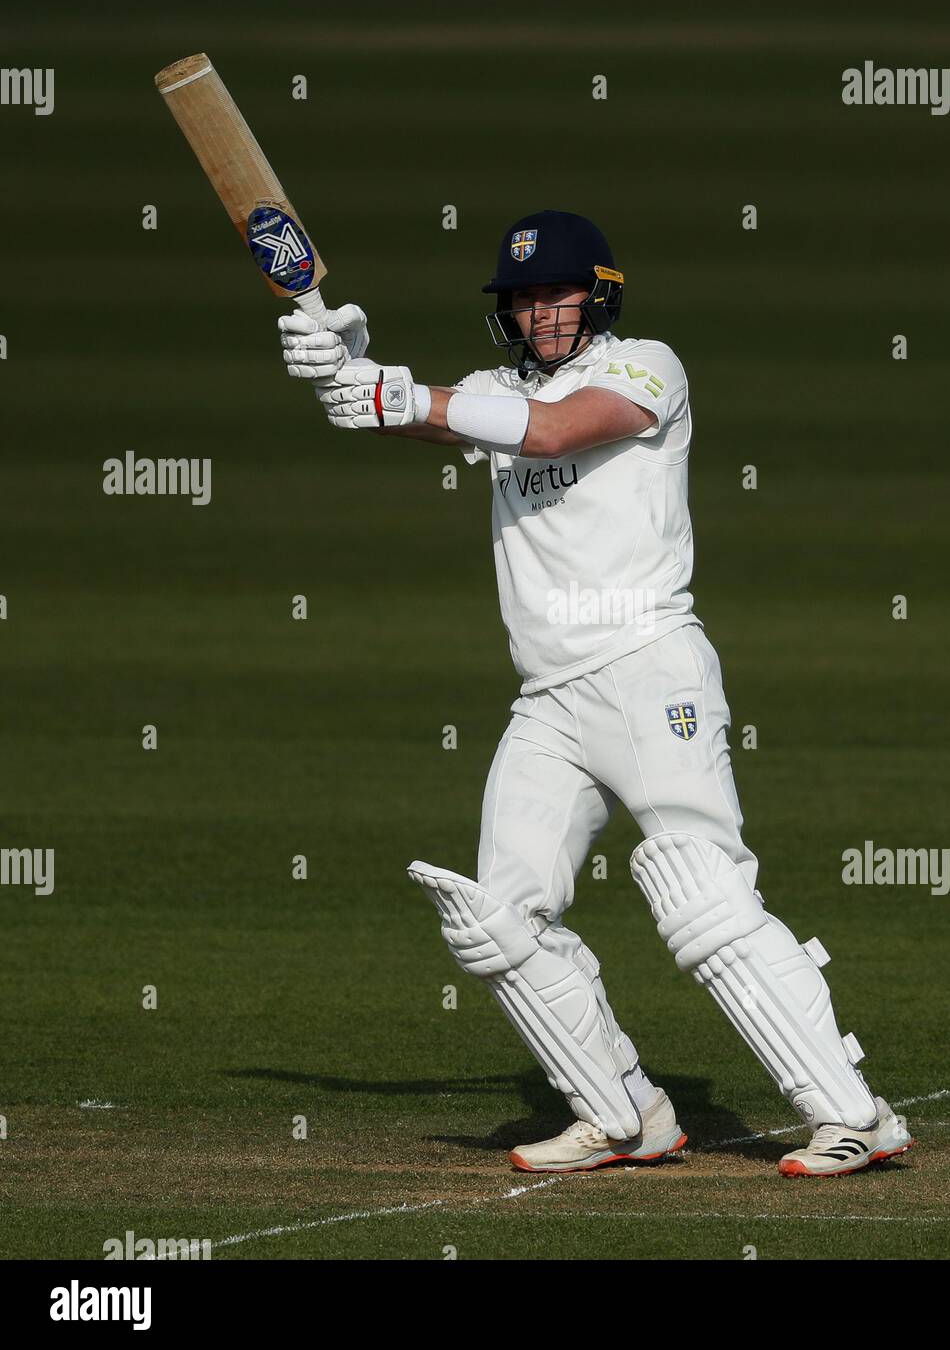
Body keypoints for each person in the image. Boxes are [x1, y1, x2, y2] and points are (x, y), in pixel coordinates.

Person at [277, 209, 913, 1178]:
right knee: (497, 915)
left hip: (652, 668)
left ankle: (853, 1114)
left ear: (600, 294)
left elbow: (552, 428)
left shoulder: (648, 368)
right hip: (550, 700)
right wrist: (351, 374)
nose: (540, 313)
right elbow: (449, 413)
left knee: (702, 897)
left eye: (557, 294)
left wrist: (397, 391)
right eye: (524, 299)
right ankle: (623, 1114)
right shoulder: (491, 391)